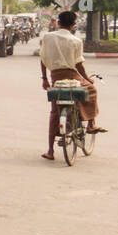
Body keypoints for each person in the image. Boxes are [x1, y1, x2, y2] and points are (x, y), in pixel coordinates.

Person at [40, 10, 102, 160]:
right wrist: (88, 78)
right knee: (91, 90)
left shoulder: (47, 37)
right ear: (74, 24)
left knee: (55, 111)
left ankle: (50, 150)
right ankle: (91, 123)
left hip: (56, 77)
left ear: (58, 22)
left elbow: (43, 59)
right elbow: (79, 65)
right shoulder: (76, 41)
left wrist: (44, 78)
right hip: (72, 75)